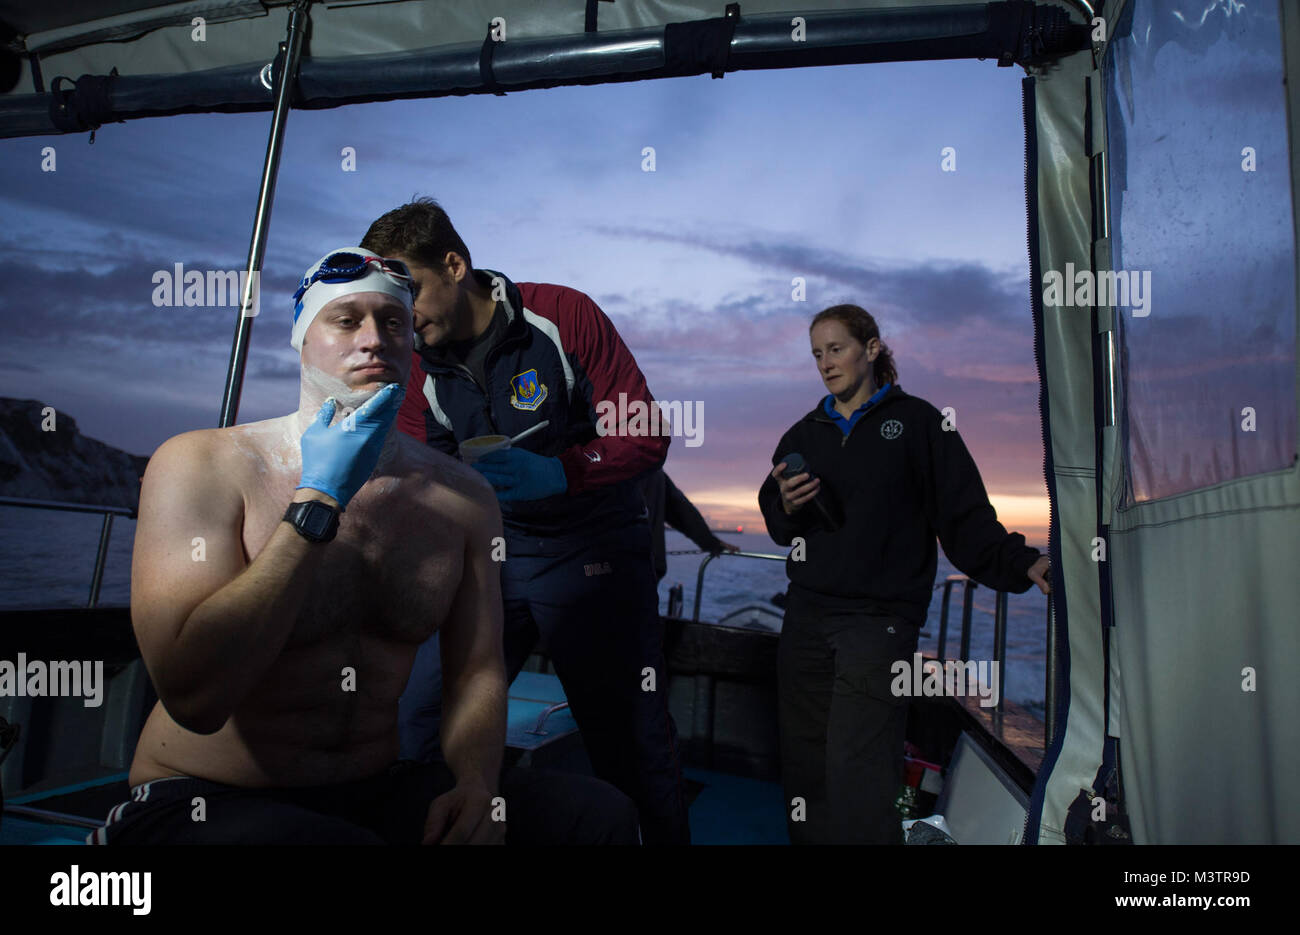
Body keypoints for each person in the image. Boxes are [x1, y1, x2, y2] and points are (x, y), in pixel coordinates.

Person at [93, 248, 637, 845]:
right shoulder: (203, 464)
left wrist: (477, 787)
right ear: (303, 337)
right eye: (346, 320)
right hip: (203, 793)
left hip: (370, 788)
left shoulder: (462, 497)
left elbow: (476, 670)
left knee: (596, 814)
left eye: (395, 322)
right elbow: (195, 698)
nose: (375, 339)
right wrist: (318, 499)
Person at [361, 200, 691, 845]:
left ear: (454, 265)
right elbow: (417, 476)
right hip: (490, 553)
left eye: (411, 291)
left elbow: (645, 433)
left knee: (629, 743)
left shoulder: (563, 315)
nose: (399, 315)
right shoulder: (410, 364)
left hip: (592, 552)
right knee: (418, 723)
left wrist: (565, 470)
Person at [757, 304, 1050, 846]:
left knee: (858, 766)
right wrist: (787, 505)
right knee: (806, 762)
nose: (825, 362)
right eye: (817, 353)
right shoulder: (803, 434)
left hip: (879, 618)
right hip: (806, 616)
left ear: (871, 349)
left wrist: (1022, 562)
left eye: (836, 348)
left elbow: (964, 518)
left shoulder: (921, 424)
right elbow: (775, 520)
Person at [639, 468, 740, 585]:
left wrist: (711, 542)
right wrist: (711, 542)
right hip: (643, 569)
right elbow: (679, 508)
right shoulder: (650, 466)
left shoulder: (651, 468)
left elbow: (678, 508)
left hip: (637, 568)